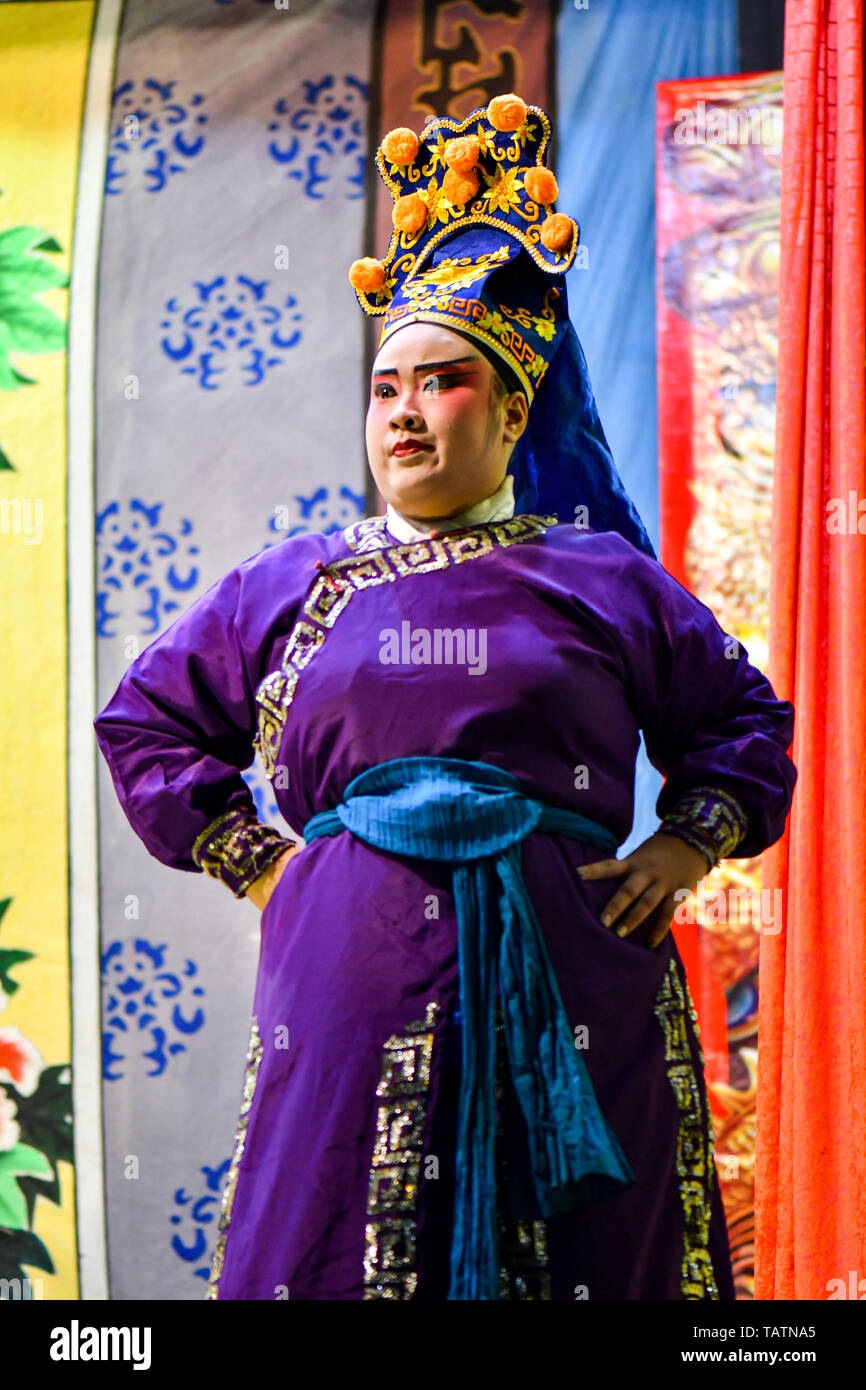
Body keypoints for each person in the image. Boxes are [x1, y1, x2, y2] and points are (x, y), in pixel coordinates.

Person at [93, 93, 796, 1301]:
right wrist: (259, 861)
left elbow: (744, 726)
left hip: (572, 970)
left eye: (442, 383)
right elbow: (145, 721)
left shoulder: (600, 578)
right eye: (385, 388)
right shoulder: (296, 579)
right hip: (345, 971)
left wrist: (686, 846)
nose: (405, 411)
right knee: (335, 1238)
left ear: (515, 410)